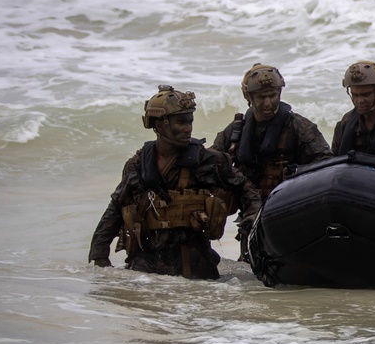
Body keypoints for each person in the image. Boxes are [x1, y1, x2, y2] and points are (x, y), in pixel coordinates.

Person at [89, 85, 262, 279]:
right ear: (161, 125)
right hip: (145, 266)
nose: (188, 128)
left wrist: (253, 217)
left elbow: (245, 188)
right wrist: (100, 256)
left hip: (194, 265)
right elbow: (115, 209)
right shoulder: (137, 165)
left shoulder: (208, 160)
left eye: (190, 121)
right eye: (181, 122)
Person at [212, 63, 332, 261]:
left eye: (273, 96)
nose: (268, 103)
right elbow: (211, 164)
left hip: (289, 214)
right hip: (251, 218)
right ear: (248, 97)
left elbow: (326, 166)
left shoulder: (299, 127)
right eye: (261, 97)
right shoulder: (235, 132)